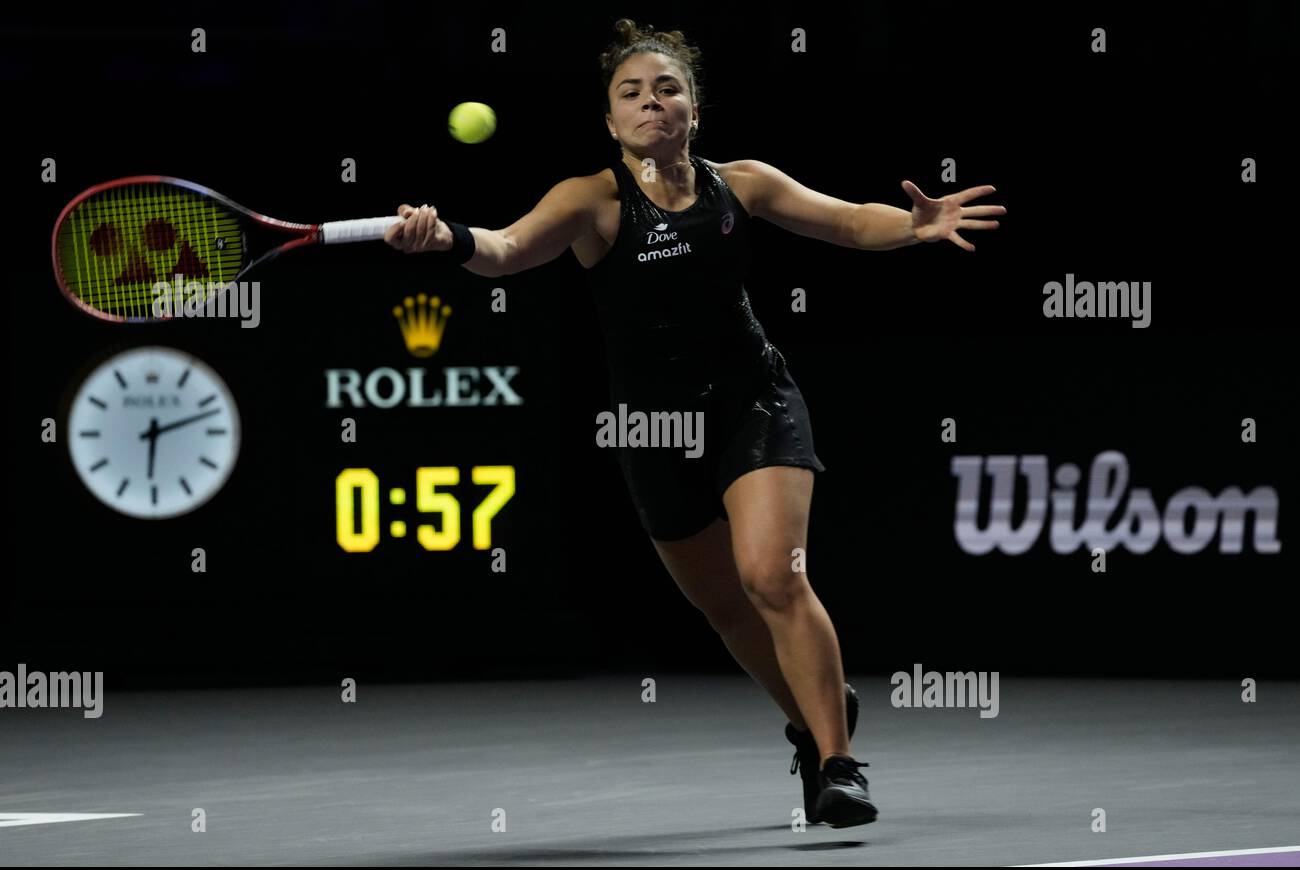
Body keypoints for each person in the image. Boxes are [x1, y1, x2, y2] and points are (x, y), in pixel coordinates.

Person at [385, 19, 1005, 828]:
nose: (652, 103)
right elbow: (504, 250)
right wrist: (446, 237)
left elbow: (850, 220)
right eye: (631, 94)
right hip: (651, 432)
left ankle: (839, 766)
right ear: (610, 122)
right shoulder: (592, 200)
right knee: (725, 608)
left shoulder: (742, 184)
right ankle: (815, 713)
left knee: (771, 577)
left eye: (666, 89)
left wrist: (913, 225)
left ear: (693, 109)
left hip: (754, 402)